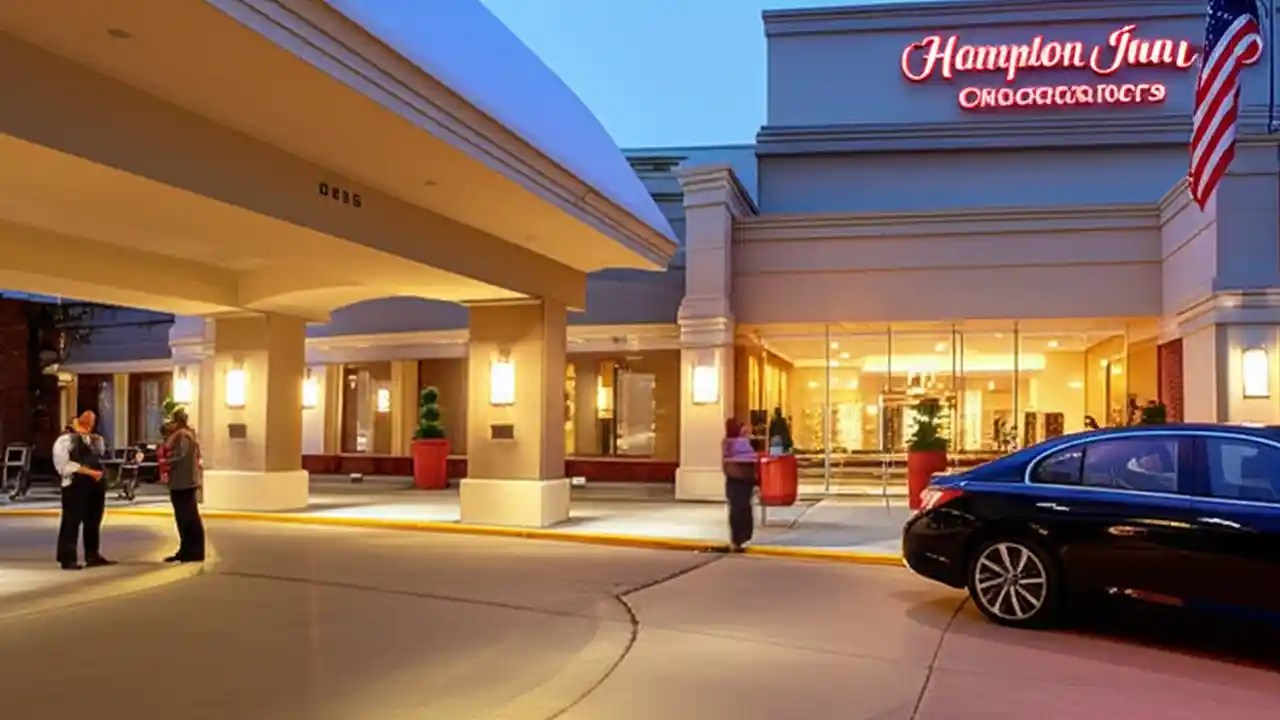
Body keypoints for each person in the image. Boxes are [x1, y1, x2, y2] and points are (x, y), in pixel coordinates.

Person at [52, 411, 115, 570]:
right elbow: (64, 466)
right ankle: (67, 557)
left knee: (93, 521)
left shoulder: (92, 439)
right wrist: (90, 472)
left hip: (94, 485)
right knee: (71, 522)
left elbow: (99, 455)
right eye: (86, 419)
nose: (90, 422)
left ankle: (92, 554)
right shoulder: (65, 440)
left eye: (92, 420)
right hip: (75, 485)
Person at [161, 409, 205, 563]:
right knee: (183, 517)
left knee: (188, 517)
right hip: (181, 481)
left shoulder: (183, 436)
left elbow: (181, 455)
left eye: (172, 421)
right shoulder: (184, 434)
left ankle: (193, 551)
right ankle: (186, 549)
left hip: (183, 482)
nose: (170, 424)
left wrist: (166, 461)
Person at [722, 418, 758, 552]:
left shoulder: (727, 443)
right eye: (742, 426)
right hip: (742, 481)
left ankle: (736, 539)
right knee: (743, 509)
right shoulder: (741, 442)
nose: (746, 429)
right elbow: (749, 460)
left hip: (733, 481)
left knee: (736, 510)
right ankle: (742, 537)